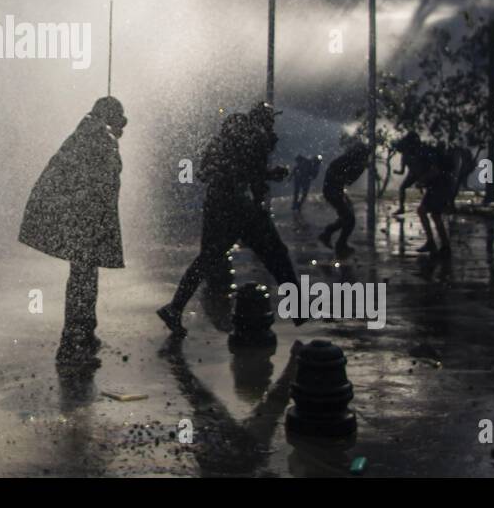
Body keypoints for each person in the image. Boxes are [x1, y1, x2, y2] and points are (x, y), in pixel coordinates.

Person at [157, 103, 299, 339]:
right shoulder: (258, 136)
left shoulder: (223, 139)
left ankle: (175, 308)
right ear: (263, 120)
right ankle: (299, 309)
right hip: (241, 207)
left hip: (216, 204)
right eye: (270, 121)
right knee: (277, 255)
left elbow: (204, 172)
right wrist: (269, 177)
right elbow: (253, 178)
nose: (272, 126)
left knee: (206, 259)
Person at [20, 96, 127, 368]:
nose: (123, 127)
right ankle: (72, 345)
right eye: (120, 120)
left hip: (82, 219)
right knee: (83, 281)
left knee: (84, 277)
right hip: (85, 222)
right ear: (110, 118)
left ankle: (85, 335)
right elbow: (101, 183)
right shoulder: (99, 138)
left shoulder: (87, 133)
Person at [318, 142, 369, 257]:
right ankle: (339, 243)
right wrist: (361, 169)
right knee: (349, 218)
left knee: (347, 217)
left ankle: (329, 235)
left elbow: (345, 179)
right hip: (333, 192)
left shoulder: (346, 159)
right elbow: (349, 180)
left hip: (335, 191)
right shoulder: (347, 161)